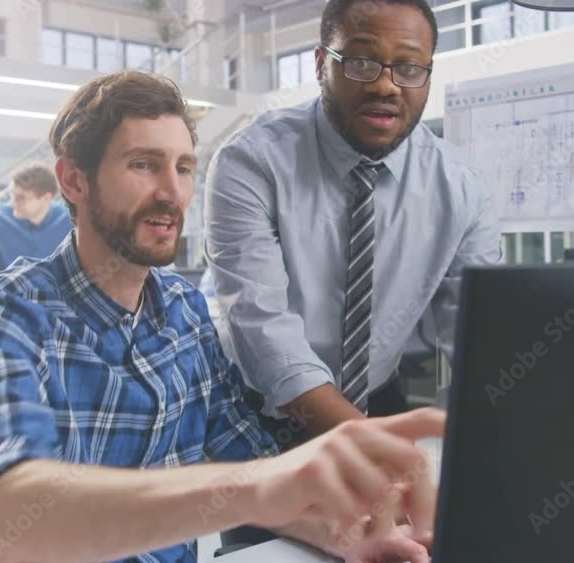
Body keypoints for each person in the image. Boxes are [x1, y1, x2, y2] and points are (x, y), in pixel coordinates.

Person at [0, 70, 442, 563]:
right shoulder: (0, 314)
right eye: (143, 164)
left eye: (182, 167)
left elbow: (243, 459)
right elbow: (12, 521)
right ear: (73, 180)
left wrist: (346, 539)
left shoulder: (183, 310)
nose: (171, 192)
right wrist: (261, 486)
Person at [205, 0, 501, 439]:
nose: (386, 85)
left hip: (374, 398)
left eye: (409, 67)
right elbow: (263, 328)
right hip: (254, 410)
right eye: (362, 62)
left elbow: (480, 337)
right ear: (322, 63)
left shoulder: (462, 186)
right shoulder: (251, 162)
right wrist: (373, 452)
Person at [0, 162, 73, 281]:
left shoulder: (69, 222)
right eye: (12, 195)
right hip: (4, 298)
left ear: (46, 198)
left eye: (20, 198)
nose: (13, 203)